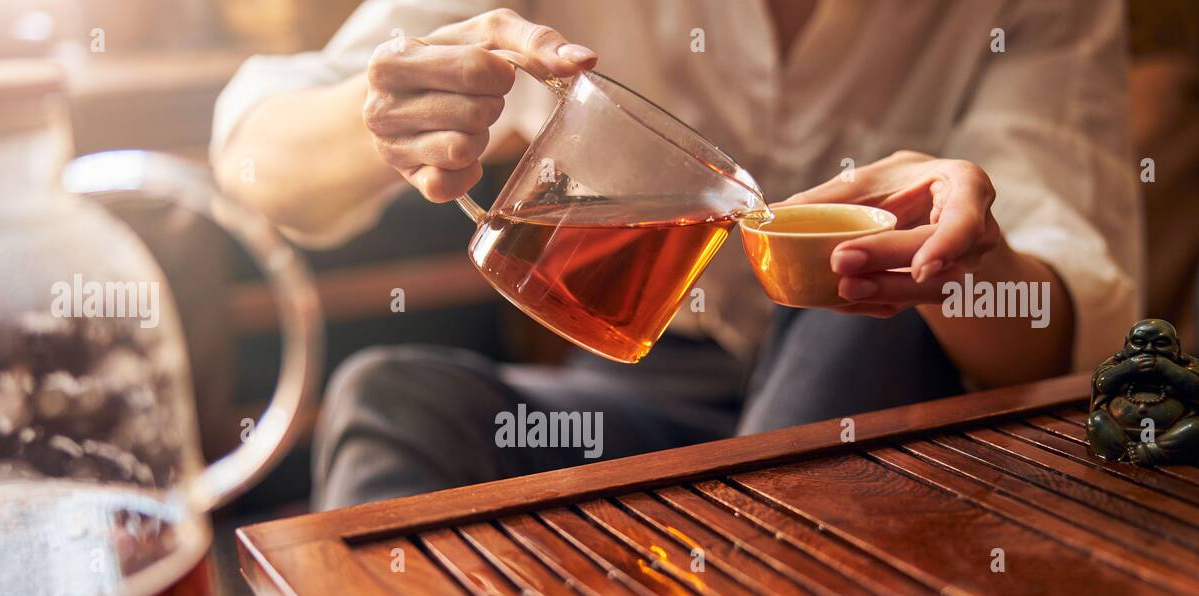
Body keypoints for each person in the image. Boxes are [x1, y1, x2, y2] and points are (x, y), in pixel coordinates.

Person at [211, 0, 1141, 509]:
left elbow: (1063, 337)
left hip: (890, 403)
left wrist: (961, 264)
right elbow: (254, 156)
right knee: (390, 399)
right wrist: (382, 114)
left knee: (842, 335)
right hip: (649, 387)